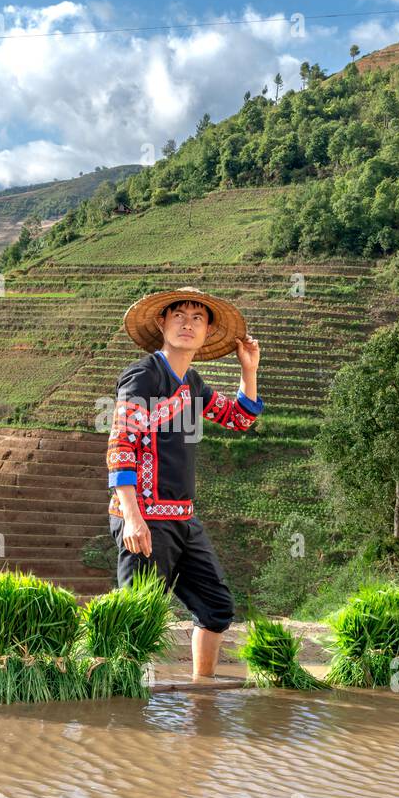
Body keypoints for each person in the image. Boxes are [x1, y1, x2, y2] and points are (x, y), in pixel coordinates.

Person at [105, 287, 263, 677]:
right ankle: (121, 706)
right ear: (162, 322)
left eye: (198, 318)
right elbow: (121, 444)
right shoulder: (143, 376)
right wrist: (131, 516)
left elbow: (239, 418)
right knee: (138, 618)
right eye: (179, 315)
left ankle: (201, 694)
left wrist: (249, 370)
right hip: (143, 517)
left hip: (183, 519)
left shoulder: (192, 382)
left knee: (216, 608)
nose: (188, 323)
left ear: (208, 331)